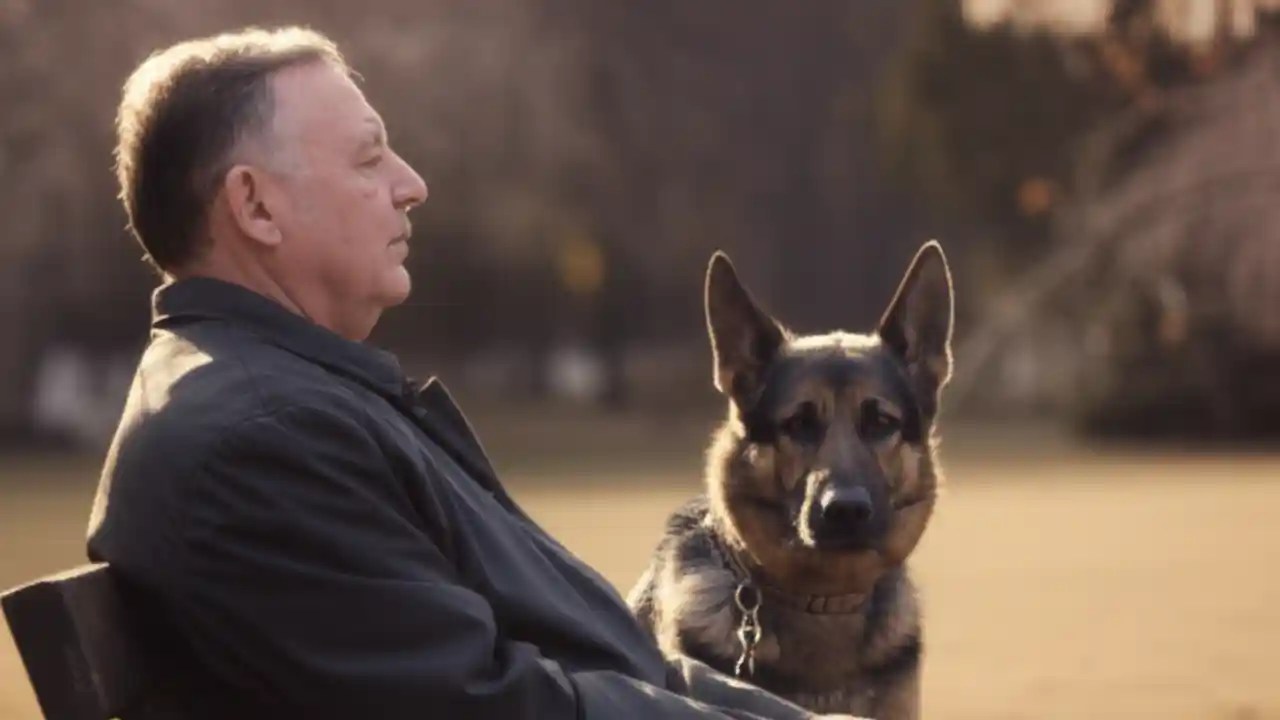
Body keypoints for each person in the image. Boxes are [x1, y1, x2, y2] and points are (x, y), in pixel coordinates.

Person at [88, 27, 860, 719]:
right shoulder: (259, 441)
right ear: (255, 206)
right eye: (368, 157)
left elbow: (622, 666)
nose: (411, 183)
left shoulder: (292, 402)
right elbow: (491, 707)